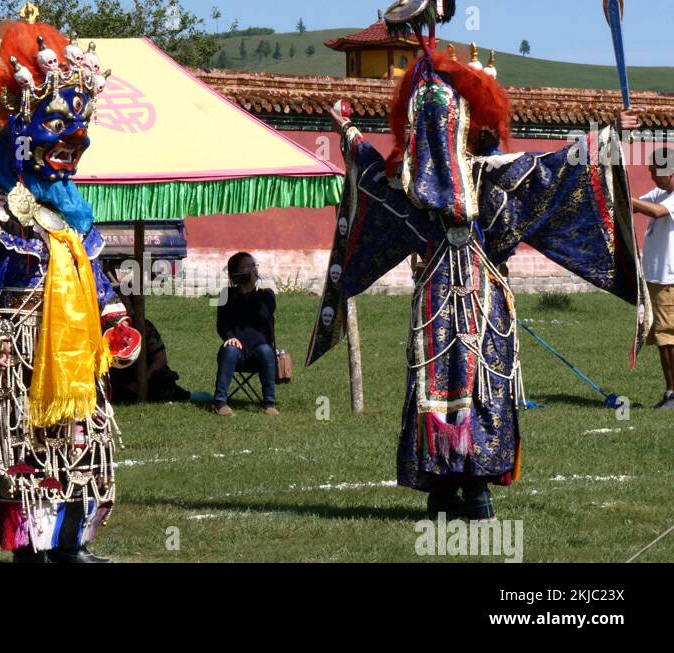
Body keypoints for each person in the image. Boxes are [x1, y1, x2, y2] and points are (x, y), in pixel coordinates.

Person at [308, 1, 648, 521]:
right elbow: (376, 181)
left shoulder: (496, 177)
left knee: (481, 376)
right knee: (436, 377)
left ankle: (475, 488)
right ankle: (444, 491)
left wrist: (612, 135)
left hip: (481, 293)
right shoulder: (417, 191)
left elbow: (563, 169)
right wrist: (349, 134)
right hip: (441, 295)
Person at [0, 15, 139, 563]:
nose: (74, 145)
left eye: (79, 136)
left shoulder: (74, 219)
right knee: (24, 455)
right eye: (59, 131)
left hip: (73, 357)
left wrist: (115, 321)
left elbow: (94, 280)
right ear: (21, 136)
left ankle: (72, 545)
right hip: (21, 354)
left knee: (80, 449)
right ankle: (32, 549)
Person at [632, 146, 674, 409]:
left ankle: (673, 393)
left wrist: (627, 198)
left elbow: (656, 212)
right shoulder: (661, 193)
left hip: (670, 280)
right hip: (657, 280)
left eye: (654, 172)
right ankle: (670, 393)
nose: (650, 176)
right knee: (661, 338)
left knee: (669, 337)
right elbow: (636, 205)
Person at [214, 252, 278, 416]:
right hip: (237, 352)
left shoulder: (266, 295)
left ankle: (270, 403)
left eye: (253, 265)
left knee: (265, 350)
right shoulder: (225, 294)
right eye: (246, 266)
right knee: (229, 350)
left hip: (260, 352)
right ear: (236, 272)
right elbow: (222, 324)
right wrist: (230, 338)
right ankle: (221, 402)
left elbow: (263, 315)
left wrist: (250, 291)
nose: (252, 269)